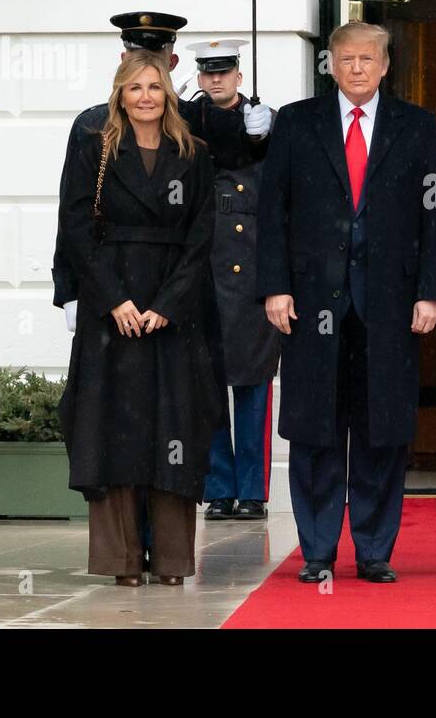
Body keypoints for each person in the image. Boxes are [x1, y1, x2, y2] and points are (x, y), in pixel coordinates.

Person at [256, 21, 436, 584]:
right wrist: (274, 285)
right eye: (346, 59)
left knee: (381, 430)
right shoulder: (296, 122)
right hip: (311, 300)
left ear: (386, 65)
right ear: (331, 65)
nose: (357, 68)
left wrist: (431, 292)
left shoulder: (417, 125)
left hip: (389, 303)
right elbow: (272, 211)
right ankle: (316, 549)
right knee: (315, 429)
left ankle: (373, 550)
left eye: (368, 58)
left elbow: (435, 214)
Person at [58, 50, 224, 587]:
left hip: (174, 311)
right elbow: (77, 229)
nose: (146, 96)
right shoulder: (95, 148)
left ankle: (173, 560)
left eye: (155, 86)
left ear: (169, 93)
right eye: (135, 88)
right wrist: (114, 301)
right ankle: (122, 561)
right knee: (115, 429)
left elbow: (203, 236)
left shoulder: (194, 152)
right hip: (113, 308)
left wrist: (166, 306)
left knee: (173, 425)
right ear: (120, 94)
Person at [52, 12, 271, 332]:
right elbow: (73, 216)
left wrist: (255, 135)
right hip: (114, 280)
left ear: (171, 62)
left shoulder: (195, 120)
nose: (147, 68)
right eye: (138, 59)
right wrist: (68, 287)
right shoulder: (93, 127)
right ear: (123, 60)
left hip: (178, 285)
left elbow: (239, 153)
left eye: (156, 58)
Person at [184, 39, 282, 521]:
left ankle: (253, 491)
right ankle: (218, 487)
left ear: (239, 76)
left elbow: (283, 192)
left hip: (251, 273)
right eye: (209, 73)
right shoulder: (183, 121)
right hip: (201, 271)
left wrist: (266, 135)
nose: (216, 80)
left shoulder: (266, 120)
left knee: (252, 385)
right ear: (200, 77)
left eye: (225, 72)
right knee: (208, 385)